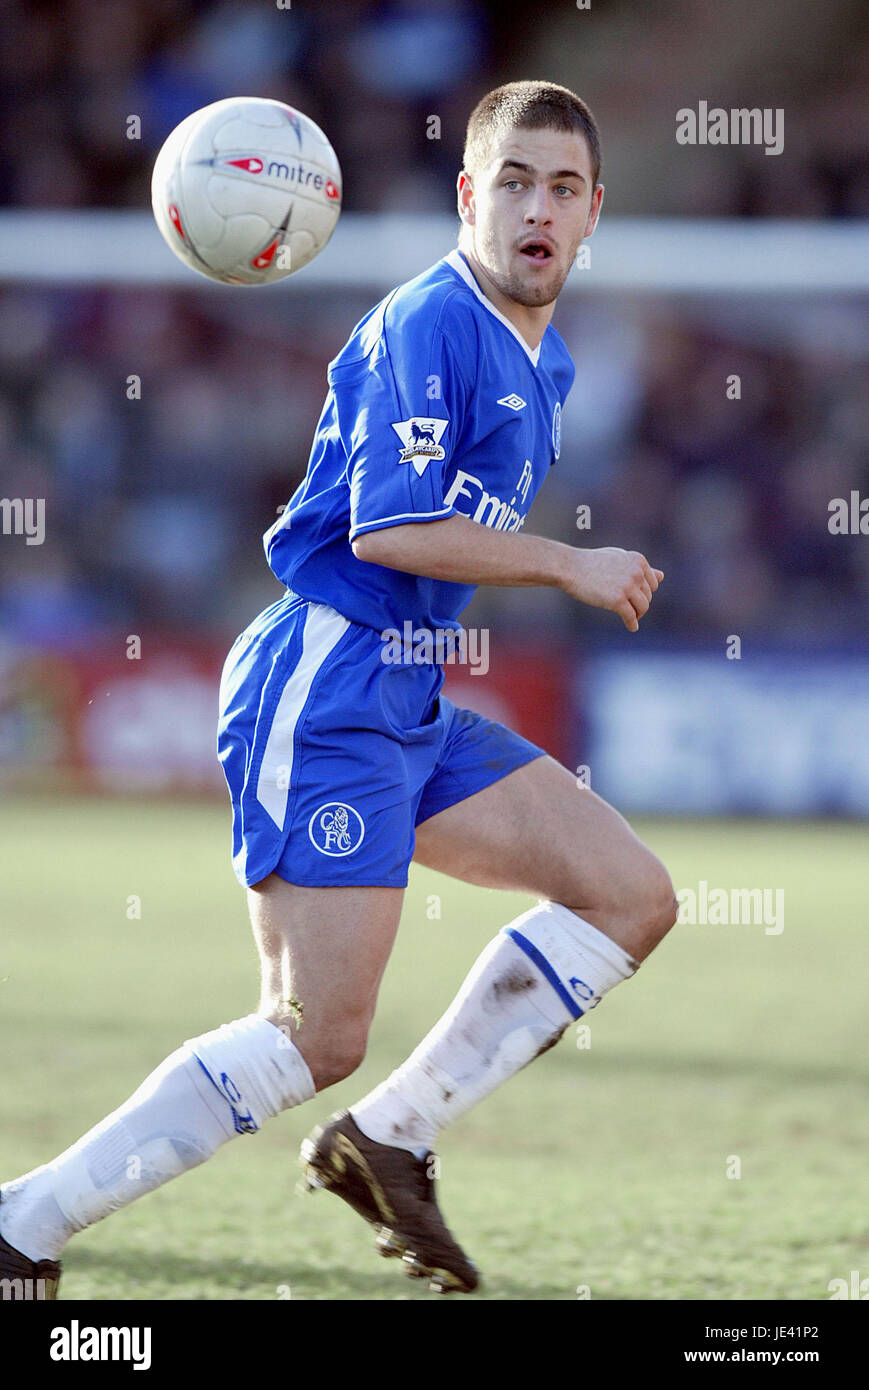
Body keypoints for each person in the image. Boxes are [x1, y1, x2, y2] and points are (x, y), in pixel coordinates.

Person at [0, 80, 677, 1299]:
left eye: (562, 188)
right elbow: (388, 531)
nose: (536, 206)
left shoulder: (549, 360)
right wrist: (565, 562)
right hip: (326, 676)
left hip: (404, 693)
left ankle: (390, 1137)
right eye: (512, 182)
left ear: (590, 218)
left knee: (629, 898)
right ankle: (23, 1223)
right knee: (311, 1032)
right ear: (469, 199)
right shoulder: (431, 320)